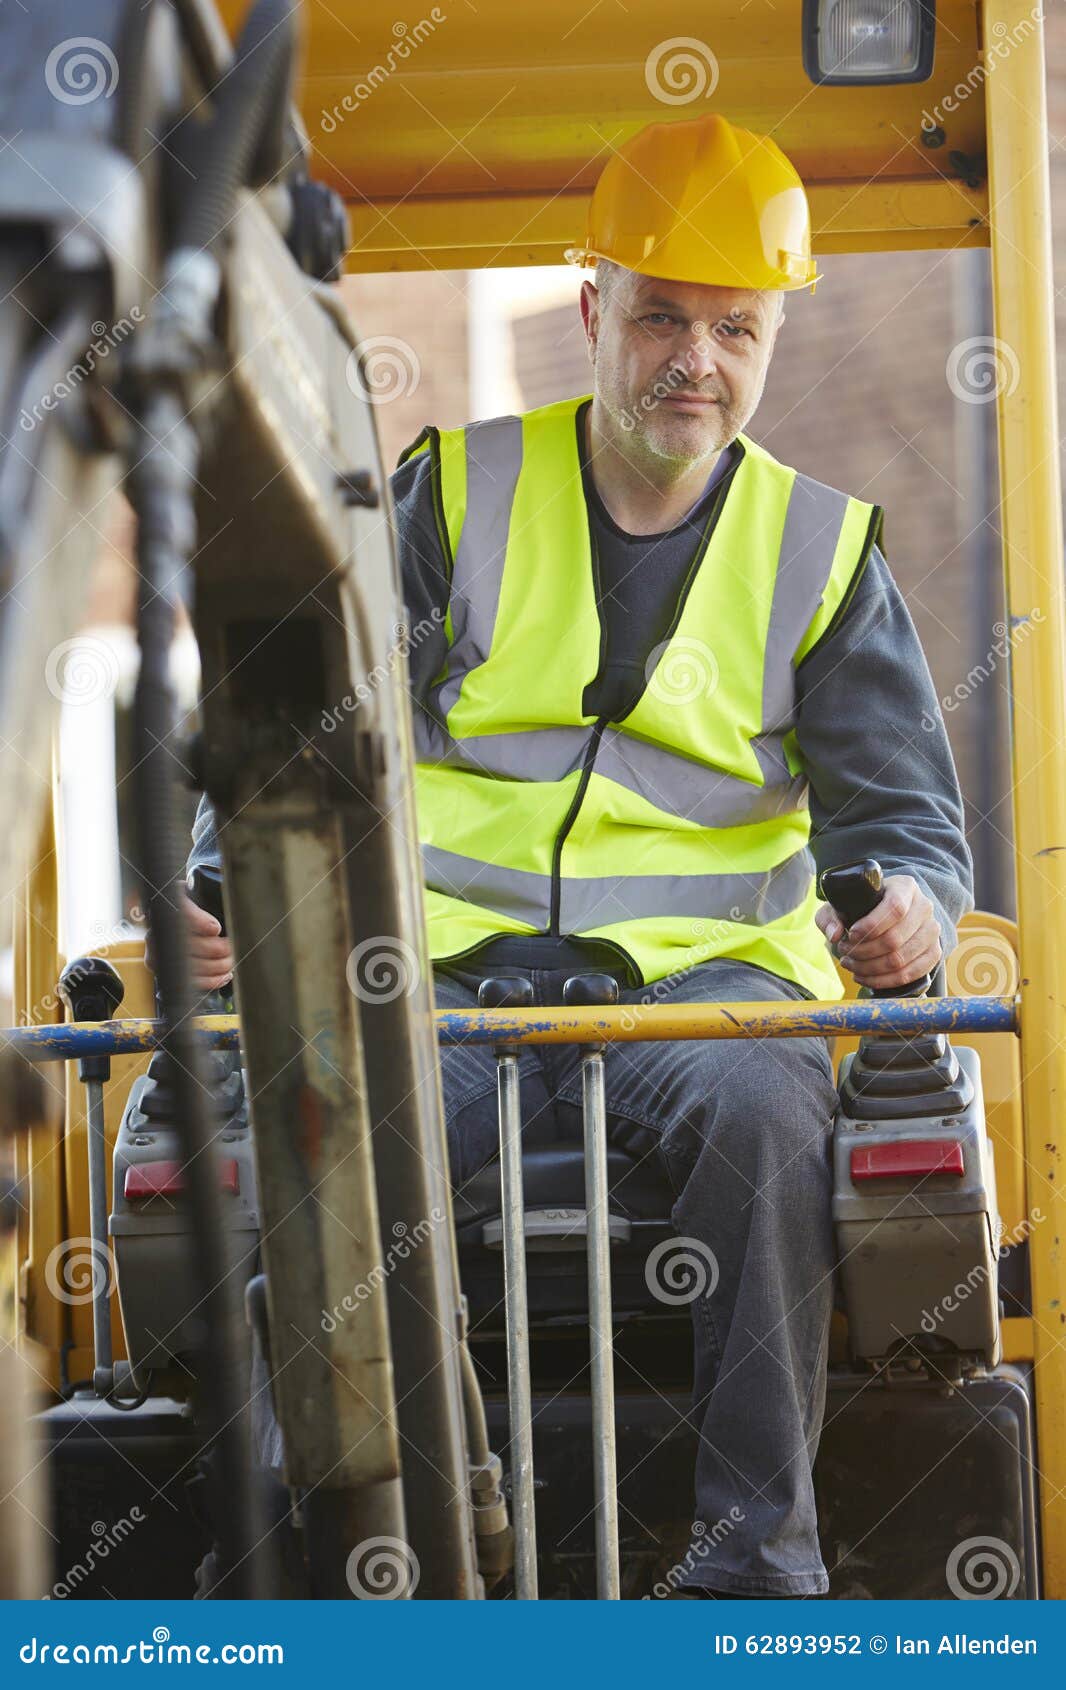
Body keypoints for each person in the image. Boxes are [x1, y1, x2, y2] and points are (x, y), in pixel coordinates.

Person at [179, 112, 973, 1597]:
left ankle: (753, 1562)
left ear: (772, 337)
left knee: (768, 1109)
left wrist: (911, 908)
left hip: (703, 999)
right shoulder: (452, 496)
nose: (697, 359)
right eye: (663, 314)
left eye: (736, 327)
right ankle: (354, 1543)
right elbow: (305, 724)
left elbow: (904, 820)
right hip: (450, 988)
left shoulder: (819, 548)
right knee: (340, 1135)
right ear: (592, 306)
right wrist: (232, 890)